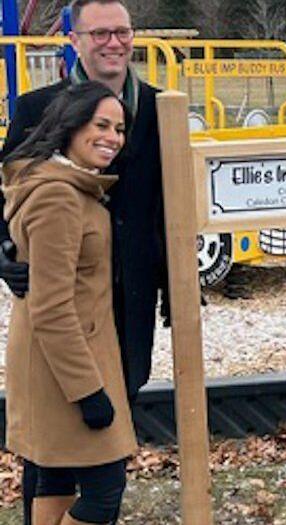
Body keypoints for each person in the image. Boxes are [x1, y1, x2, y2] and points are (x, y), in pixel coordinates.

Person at [0, 1, 165, 522]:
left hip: (126, 307)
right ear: (76, 39)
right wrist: (5, 254)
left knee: (95, 445)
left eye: (122, 31)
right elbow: (11, 193)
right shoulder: (35, 110)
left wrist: (177, 292)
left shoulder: (161, 110)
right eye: (100, 33)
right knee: (57, 457)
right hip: (61, 312)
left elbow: (168, 210)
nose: (112, 43)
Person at [3, 81, 138, 525]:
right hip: (64, 371)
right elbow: (51, 307)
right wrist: (89, 392)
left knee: (56, 477)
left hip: (57, 364)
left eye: (119, 129)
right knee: (105, 489)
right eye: (101, 125)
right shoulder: (59, 195)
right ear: (71, 126)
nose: (112, 138)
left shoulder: (70, 186)